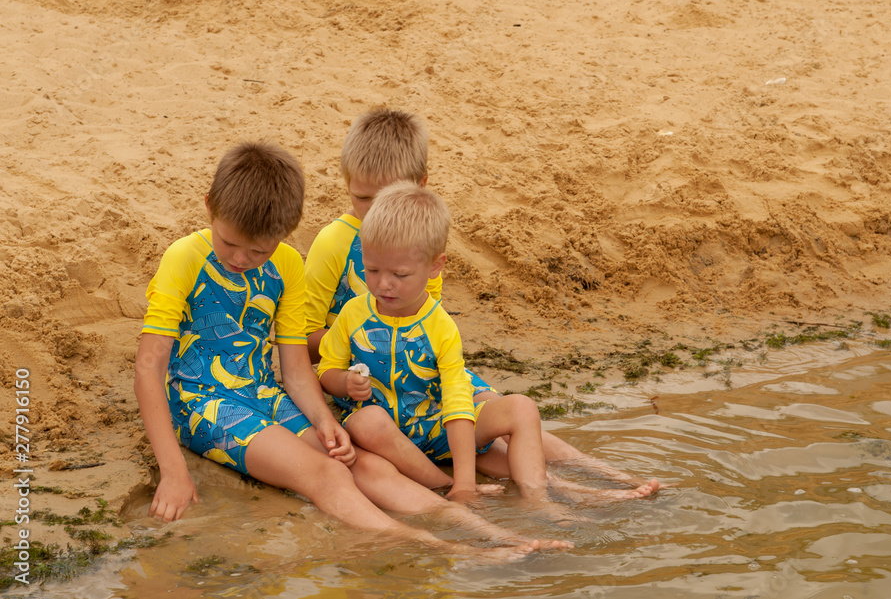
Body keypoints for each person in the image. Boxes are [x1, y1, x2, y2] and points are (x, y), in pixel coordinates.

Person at [133, 141, 556, 556]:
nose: (241, 259)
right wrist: (173, 471)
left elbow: (294, 369)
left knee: (364, 463)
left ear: (285, 233)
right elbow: (148, 369)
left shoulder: (286, 264)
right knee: (327, 473)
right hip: (200, 402)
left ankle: (489, 532)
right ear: (210, 207)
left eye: (258, 250)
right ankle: (444, 548)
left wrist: (323, 420)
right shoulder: (184, 258)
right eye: (228, 243)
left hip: (263, 394)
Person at [303, 109, 660, 497]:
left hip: (423, 367)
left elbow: (428, 318)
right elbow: (301, 338)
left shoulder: (420, 240)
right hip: (370, 378)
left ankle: (602, 475)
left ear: (421, 187)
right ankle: (566, 490)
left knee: (493, 408)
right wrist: (359, 342)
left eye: (391, 197)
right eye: (362, 197)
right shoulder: (334, 243)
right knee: (477, 439)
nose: (377, 210)